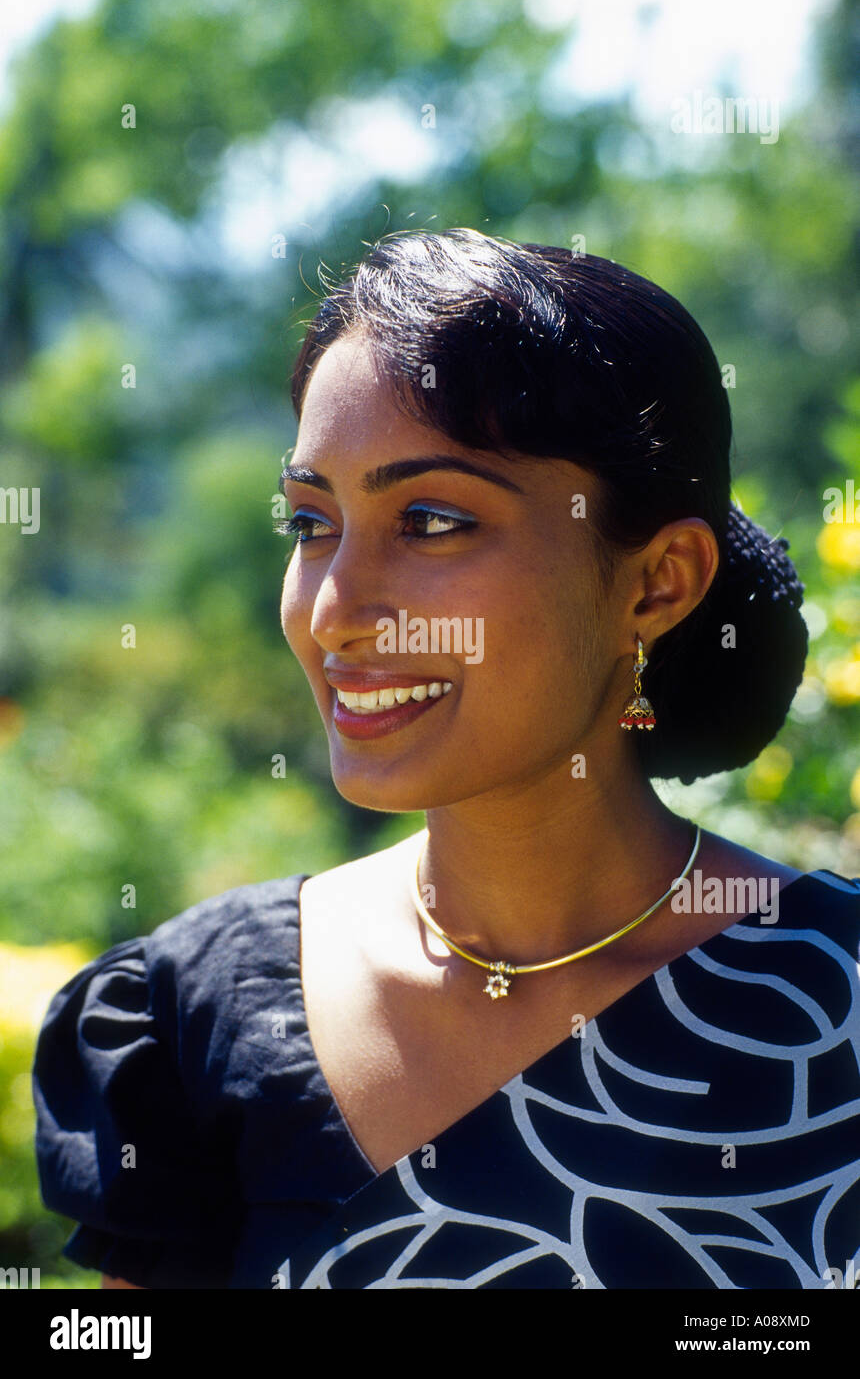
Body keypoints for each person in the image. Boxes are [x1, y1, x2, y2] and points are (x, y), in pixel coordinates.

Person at [32, 228, 860, 1289]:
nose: (334, 612)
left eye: (427, 520)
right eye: (309, 520)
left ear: (655, 582)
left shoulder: (831, 1003)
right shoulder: (195, 1023)